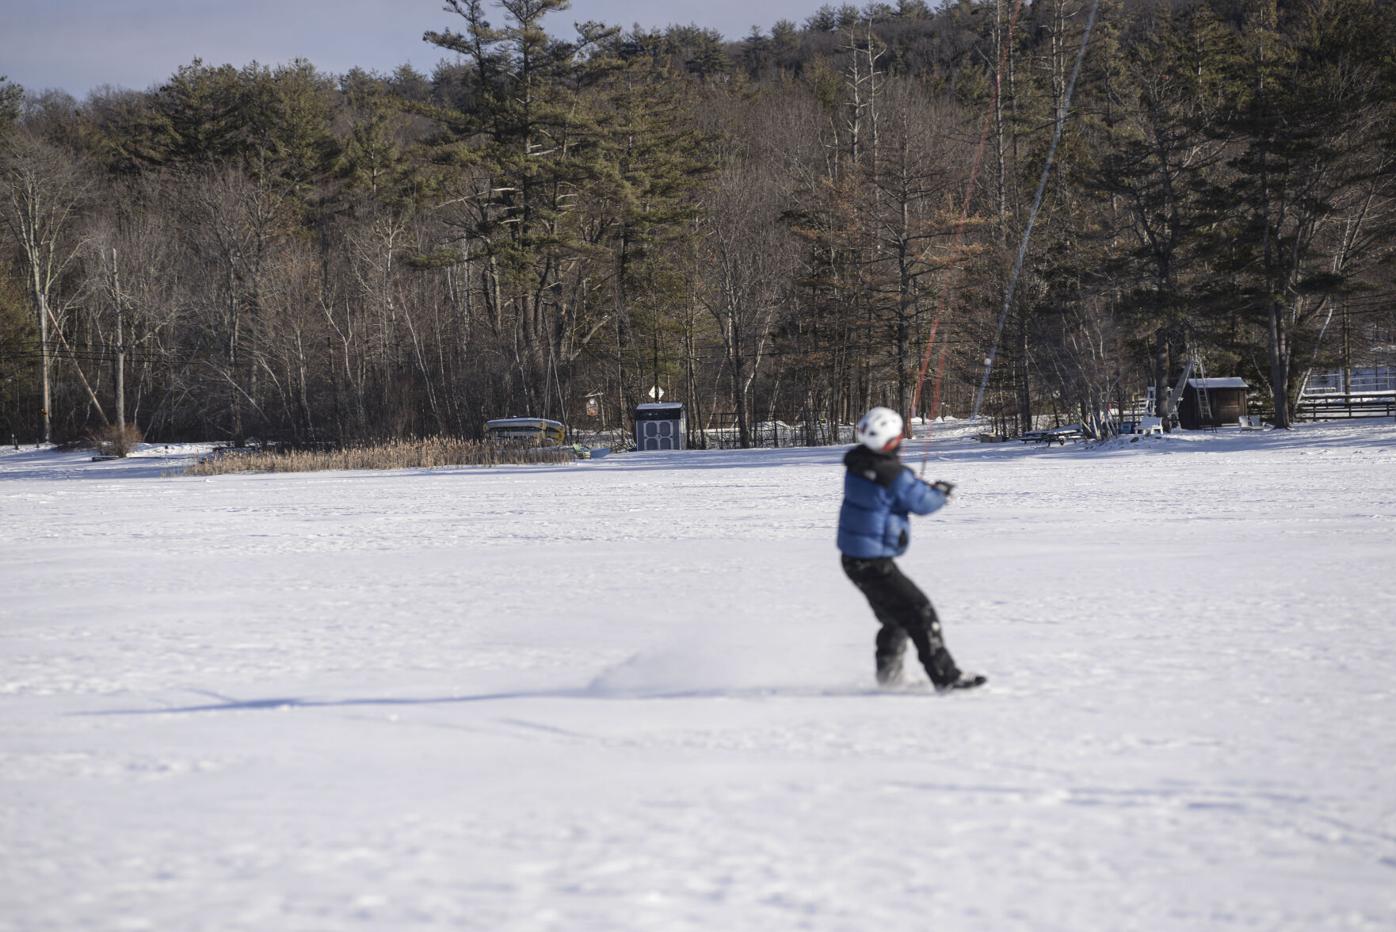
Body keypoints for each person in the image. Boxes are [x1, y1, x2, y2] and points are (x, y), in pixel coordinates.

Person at [837, 406, 985, 692]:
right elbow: (922, 503)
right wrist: (940, 493)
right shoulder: (891, 473)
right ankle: (947, 678)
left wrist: (914, 484)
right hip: (872, 564)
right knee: (919, 612)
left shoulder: (858, 463)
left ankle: (889, 681)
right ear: (892, 441)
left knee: (895, 619)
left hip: (854, 560)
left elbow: (896, 492)